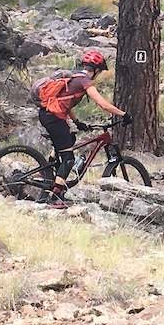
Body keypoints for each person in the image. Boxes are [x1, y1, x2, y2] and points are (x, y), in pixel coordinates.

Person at [38, 50, 132, 208]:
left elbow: (63, 103)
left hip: (47, 114)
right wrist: (124, 115)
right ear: (95, 70)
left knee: (70, 138)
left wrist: (77, 122)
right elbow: (103, 104)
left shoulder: (72, 76)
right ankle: (55, 196)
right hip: (54, 119)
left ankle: (48, 169)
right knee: (68, 159)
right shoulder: (84, 80)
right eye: (99, 71)